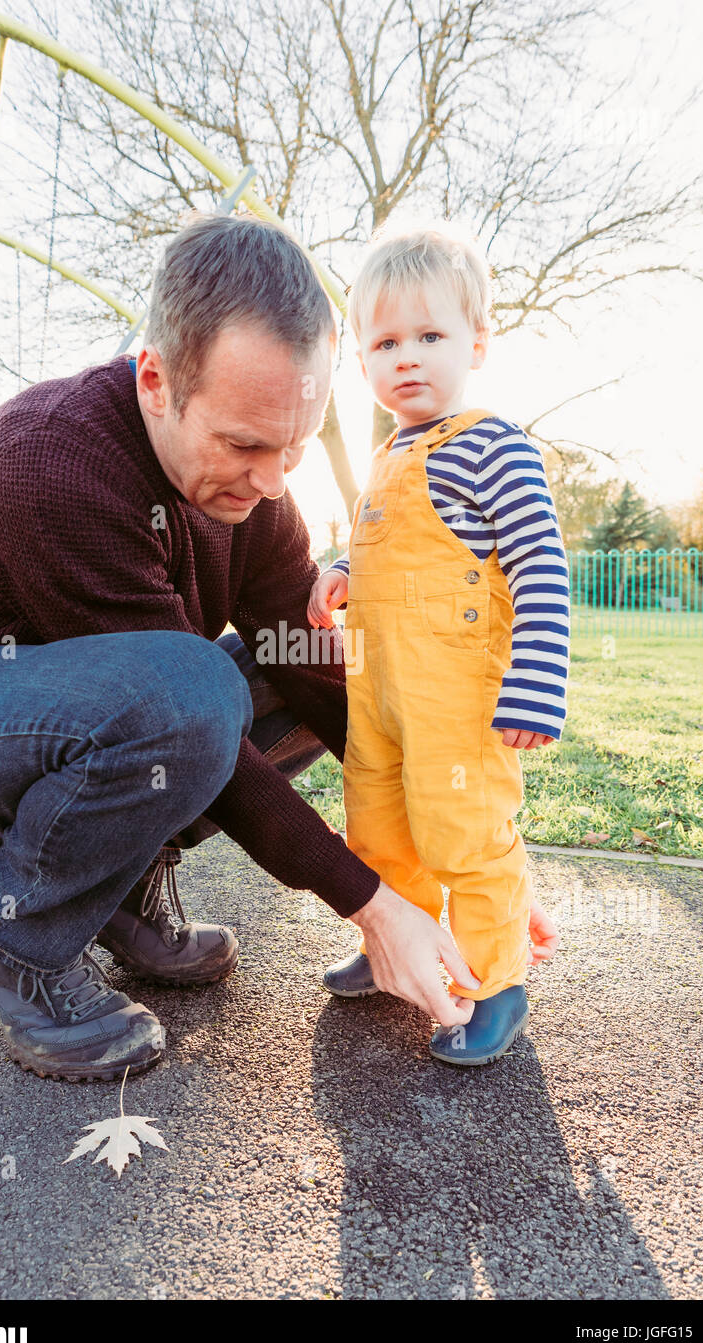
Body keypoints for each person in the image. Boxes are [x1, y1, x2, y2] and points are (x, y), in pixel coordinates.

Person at [0, 211, 557, 1083]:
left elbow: (313, 683)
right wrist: (375, 908)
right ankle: (15, 939)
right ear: (155, 379)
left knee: (303, 658)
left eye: (294, 448)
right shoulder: (51, 462)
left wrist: (467, 837)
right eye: (243, 444)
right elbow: (188, 724)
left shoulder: (261, 492)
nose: (274, 482)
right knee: (192, 694)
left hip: (95, 716)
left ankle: (117, 894)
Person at [307, 222, 569, 1065]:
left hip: (458, 703)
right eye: (385, 342)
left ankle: (497, 980)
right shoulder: (386, 455)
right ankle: (399, 941)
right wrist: (343, 566)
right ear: (361, 361)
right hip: (380, 694)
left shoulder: (493, 447)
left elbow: (537, 563)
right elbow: (393, 543)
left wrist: (535, 679)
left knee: (463, 835)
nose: (407, 357)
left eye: (429, 336)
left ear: (477, 343)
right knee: (377, 825)